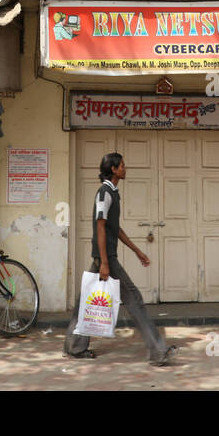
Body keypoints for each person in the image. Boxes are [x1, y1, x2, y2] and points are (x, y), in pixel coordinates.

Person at [63, 152, 173, 366]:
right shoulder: (104, 192)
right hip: (106, 257)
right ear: (113, 169)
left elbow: (115, 228)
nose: (125, 168)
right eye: (122, 165)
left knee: (85, 301)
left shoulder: (112, 192)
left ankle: (73, 347)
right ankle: (158, 352)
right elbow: (101, 226)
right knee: (135, 300)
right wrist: (105, 262)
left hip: (104, 256)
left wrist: (136, 250)